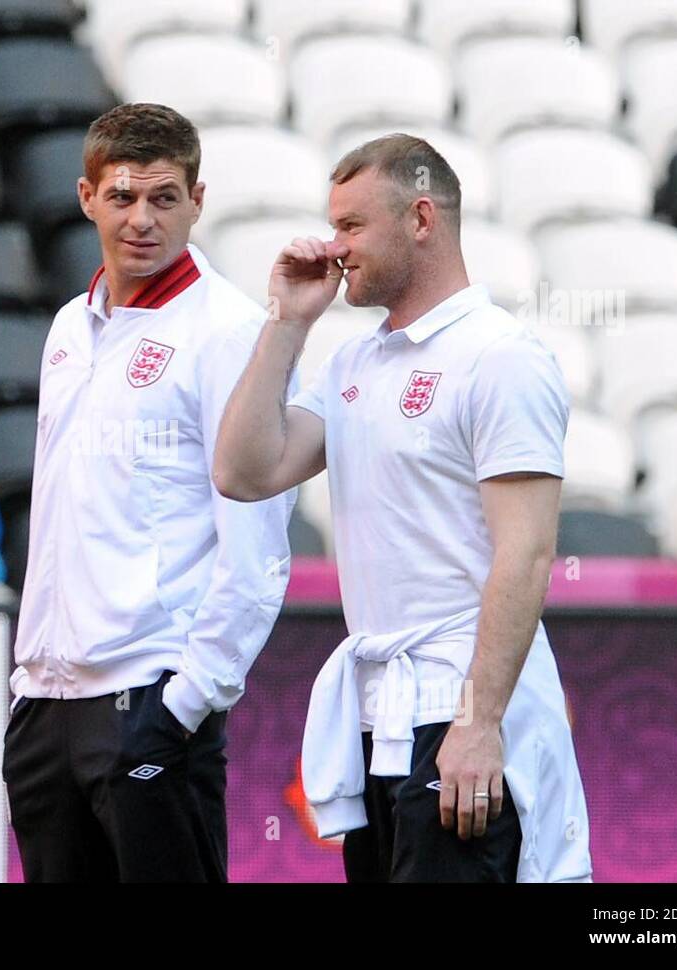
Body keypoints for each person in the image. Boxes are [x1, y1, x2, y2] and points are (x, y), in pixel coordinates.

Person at [212, 134, 592, 882]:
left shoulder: (500, 357)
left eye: (351, 226)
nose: (334, 245)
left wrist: (478, 723)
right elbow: (243, 471)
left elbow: (527, 555)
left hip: (459, 716)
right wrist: (288, 324)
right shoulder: (355, 362)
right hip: (378, 719)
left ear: (421, 218)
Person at [2, 103, 296, 883]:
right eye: (124, 196)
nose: (142, 218)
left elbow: (259, 542)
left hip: (150, 698)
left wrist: (189, 700)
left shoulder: (230, 330)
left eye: (165, 198)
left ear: (199, 201)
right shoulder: (68, 326)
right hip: (45, 700)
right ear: (86, 197)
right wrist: (29, 693)